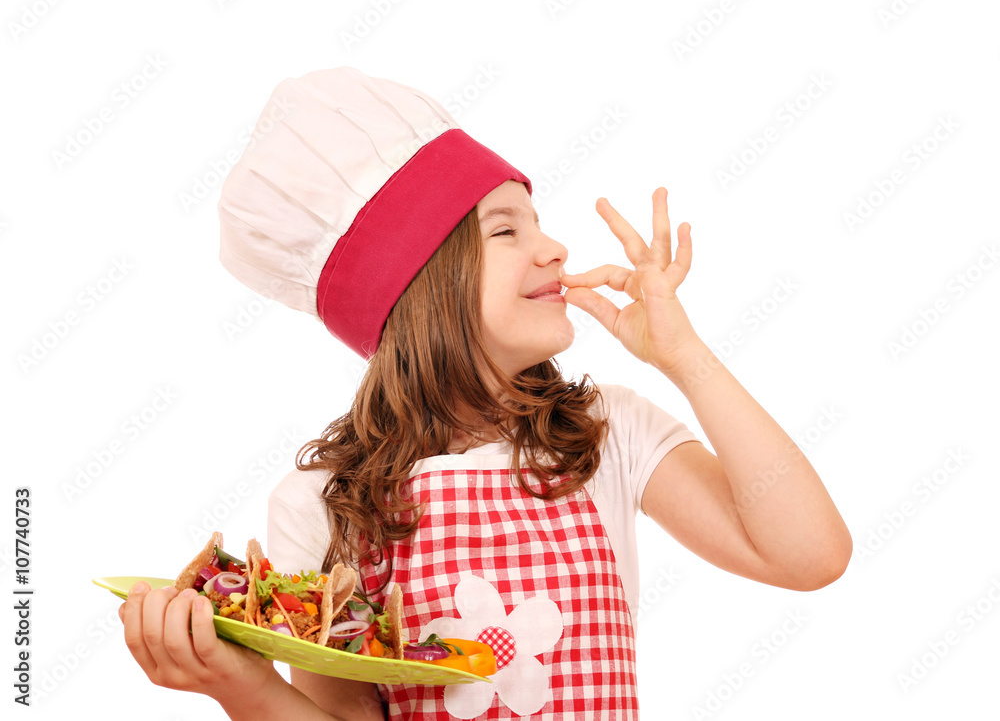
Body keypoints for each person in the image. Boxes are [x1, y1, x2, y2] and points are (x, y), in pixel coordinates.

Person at [118, 67, 852, 720]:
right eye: (506, 230)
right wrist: (234, 684)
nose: (555, 248)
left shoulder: (607, 432)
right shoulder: (322, 503)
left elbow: (808, 555)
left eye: (537, 221)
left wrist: (685, 357)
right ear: (417, 285)